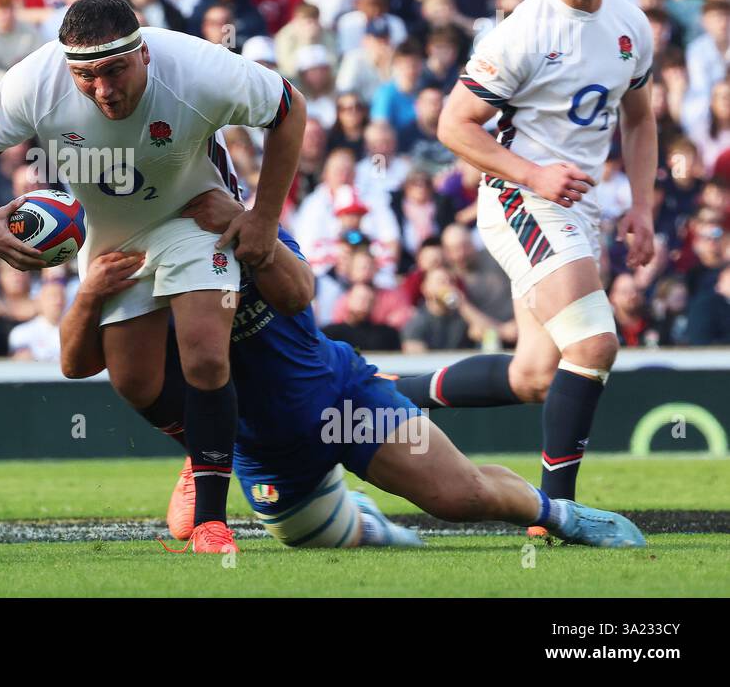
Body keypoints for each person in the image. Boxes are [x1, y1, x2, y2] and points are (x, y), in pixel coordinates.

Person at [60, 189, 645, 551]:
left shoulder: (245, 226)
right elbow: (76, 365)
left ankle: (565, 515)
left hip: (346, 403)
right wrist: (88, 296)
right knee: (355, 540)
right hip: (265, 452)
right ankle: (368, 520)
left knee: (458, 495)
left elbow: (298, 294)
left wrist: (247, 226)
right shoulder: (129, 271)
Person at [0, 0, 306, 554]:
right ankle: (203, 453)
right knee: (135, 382)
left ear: (142, 52)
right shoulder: (33, 82)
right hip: (110, 233)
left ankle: (212, 523)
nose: (103, 90)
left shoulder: (197, 67)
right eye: (87, 77)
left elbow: (289, 109)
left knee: (205, 354)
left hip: (195, 212)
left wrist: (263, 217)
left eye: (115, 71)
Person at [396, 0, 658, 538]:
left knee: (537, 373)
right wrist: (534, 173)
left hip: (577, 205)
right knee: (595, 342)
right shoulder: (521, 32)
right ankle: (556, 514)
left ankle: (379, 392)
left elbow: (641, 116)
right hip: (521, 195)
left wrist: (645, 207)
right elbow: (453, 123)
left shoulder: (633, 26)